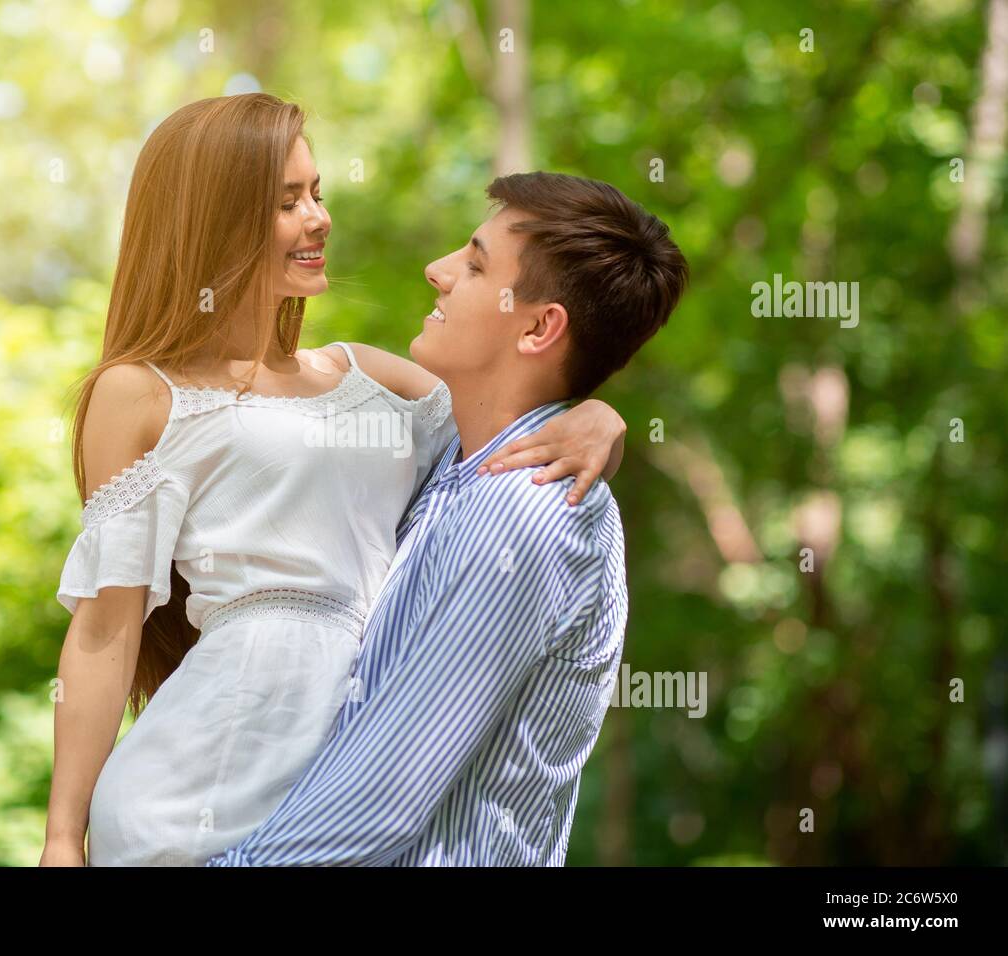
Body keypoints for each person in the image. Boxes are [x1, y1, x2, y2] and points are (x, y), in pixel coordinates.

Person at [39, 95, 629, 867]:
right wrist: (62, 837)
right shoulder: (143, 393)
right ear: (211, 219)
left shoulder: (374, 378)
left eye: (317, 192)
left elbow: (504, 418)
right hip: (198, 780)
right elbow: (104, 629)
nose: (317, 218)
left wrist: (600, 417)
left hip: (344, 773)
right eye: (287, 202)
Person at [206, 171, 689, 866]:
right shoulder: (450, 469)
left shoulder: (525, 513)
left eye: (474, 264)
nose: (437, 272)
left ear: (539, 326)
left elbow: (382, 797)